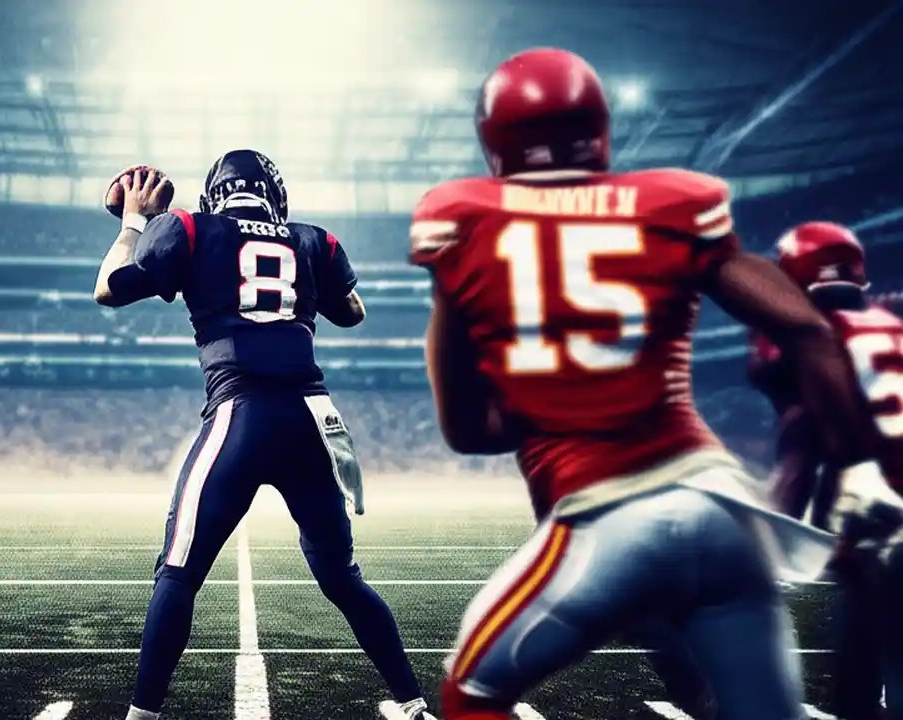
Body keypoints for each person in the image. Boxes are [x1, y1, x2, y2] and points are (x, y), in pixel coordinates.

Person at [408, 47, 902, 720]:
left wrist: (551, 400)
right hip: (722, 509)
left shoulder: (462, 218)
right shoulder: (672, 202)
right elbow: (810, 331)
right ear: (600, 131)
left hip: (606, 519)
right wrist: (860, 469)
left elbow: (466, 432)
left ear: (495, 148)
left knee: (470, 693)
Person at [93, 150, 436, 720]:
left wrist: (134, 221)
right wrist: (304, 280)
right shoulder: (314, 241)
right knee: (342, 577)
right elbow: (352, 311)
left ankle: (141, 715)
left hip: (241, 415)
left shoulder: (186, 227)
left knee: (178, 572)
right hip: (312, 419)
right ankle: (413, 702)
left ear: (214, 195)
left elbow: (109, 287)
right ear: (275, 196)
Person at [749, 221, 903, 719]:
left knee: (866, 666)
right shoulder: (890, 322)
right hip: (883, 502)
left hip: (881, 515)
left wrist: (772, 548)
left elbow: (803, 444)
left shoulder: (808, 335)